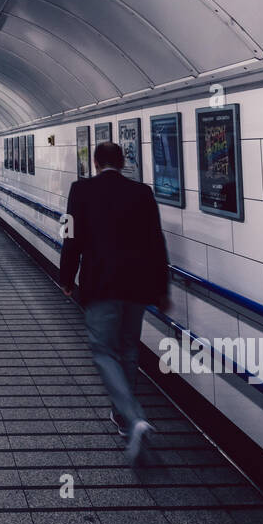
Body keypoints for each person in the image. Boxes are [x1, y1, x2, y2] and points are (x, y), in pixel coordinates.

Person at [59, 140, 170, 466]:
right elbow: (155, 240)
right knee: (129, 348)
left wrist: (66, 277)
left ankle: (134, 417)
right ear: (123, 163)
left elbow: (71, 235)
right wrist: (162, 288)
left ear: (95, 163)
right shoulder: (142, 193)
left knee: (104, 351)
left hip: (101, 284)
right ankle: (123, 417)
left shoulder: (81, 190)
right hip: (136, 286)